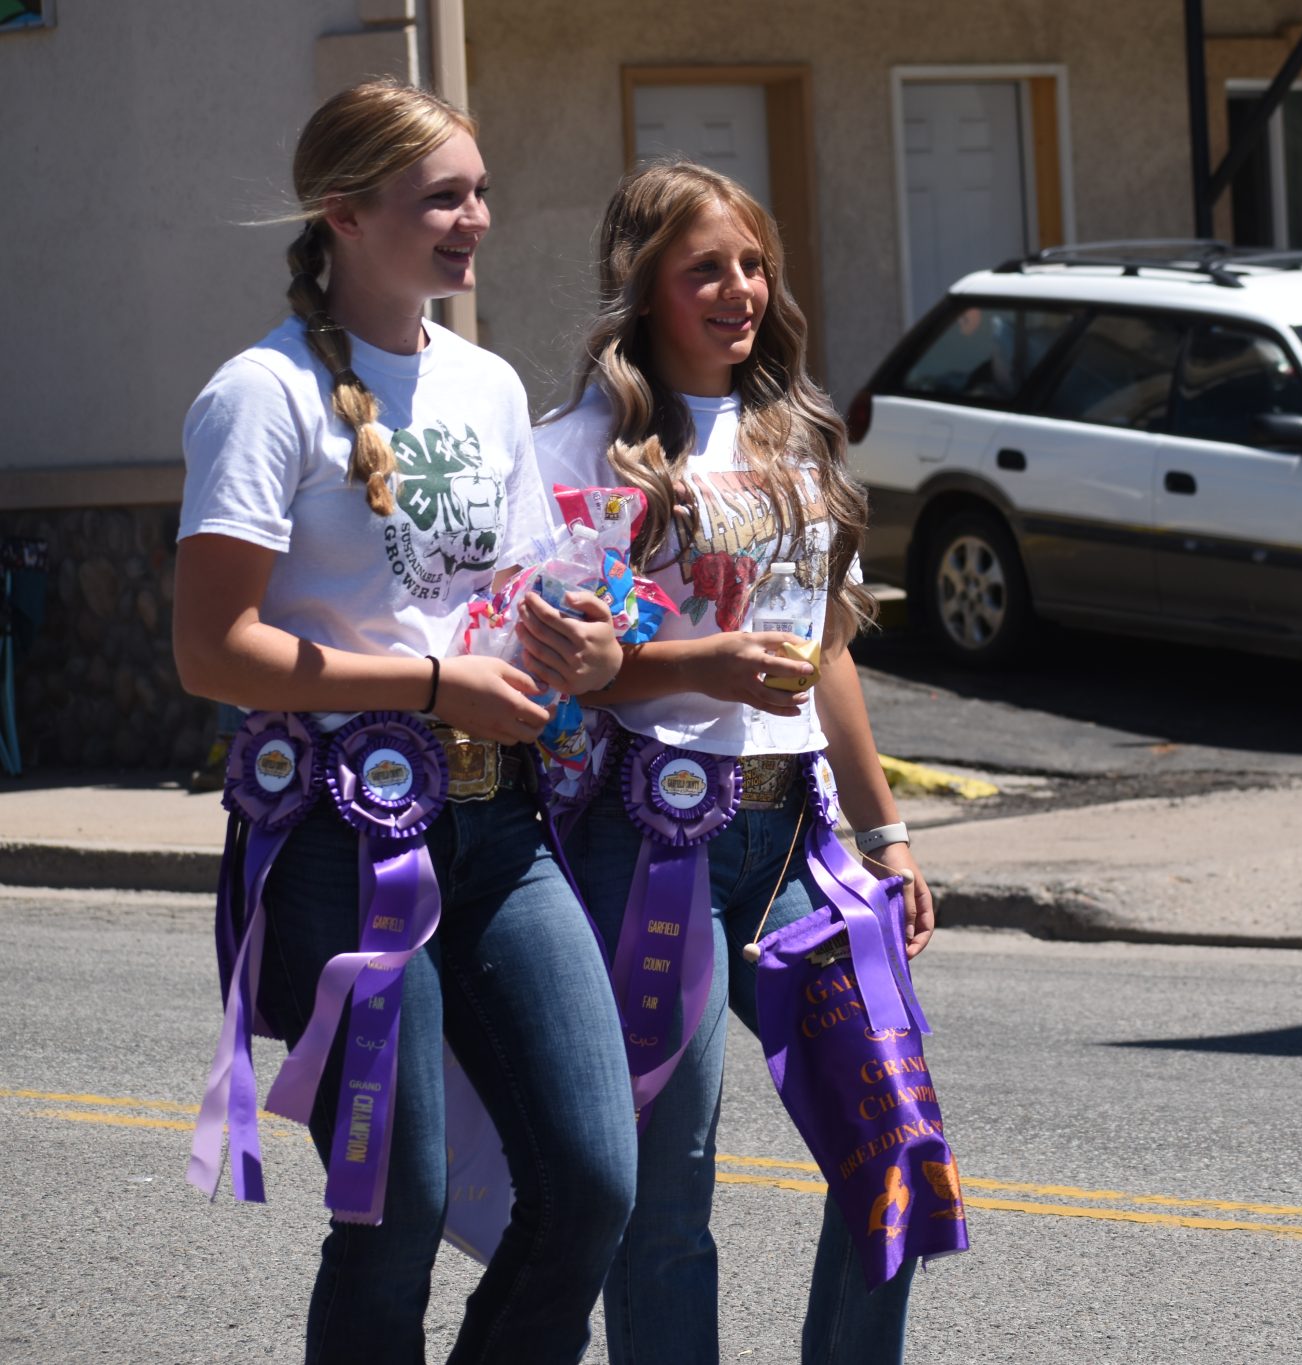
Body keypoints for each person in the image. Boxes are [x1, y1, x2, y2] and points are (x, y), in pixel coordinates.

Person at [174, 79, 638, 1363]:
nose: (475, 217)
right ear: (344, 212)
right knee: (395, 1211)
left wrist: (584, 644)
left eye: (478, 190)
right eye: (443, 195)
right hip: (343, 837)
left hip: (503, 821)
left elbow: (529, 596)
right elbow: (214, 648)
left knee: (595, 1181)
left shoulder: (485, 383)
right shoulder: (259, 397)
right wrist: (430, 690)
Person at [536, 158, 938, 1365]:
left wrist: (888, 834)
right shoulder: (582, 448)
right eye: (704, 266)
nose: (739, 289)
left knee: (891, 1154)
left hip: (797, 836)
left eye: (753, 263)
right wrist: (699, 665)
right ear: (642, 285)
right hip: (644, 843)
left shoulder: (800, 434)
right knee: (668, 1204)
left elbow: (828, 653)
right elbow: (568, 671)